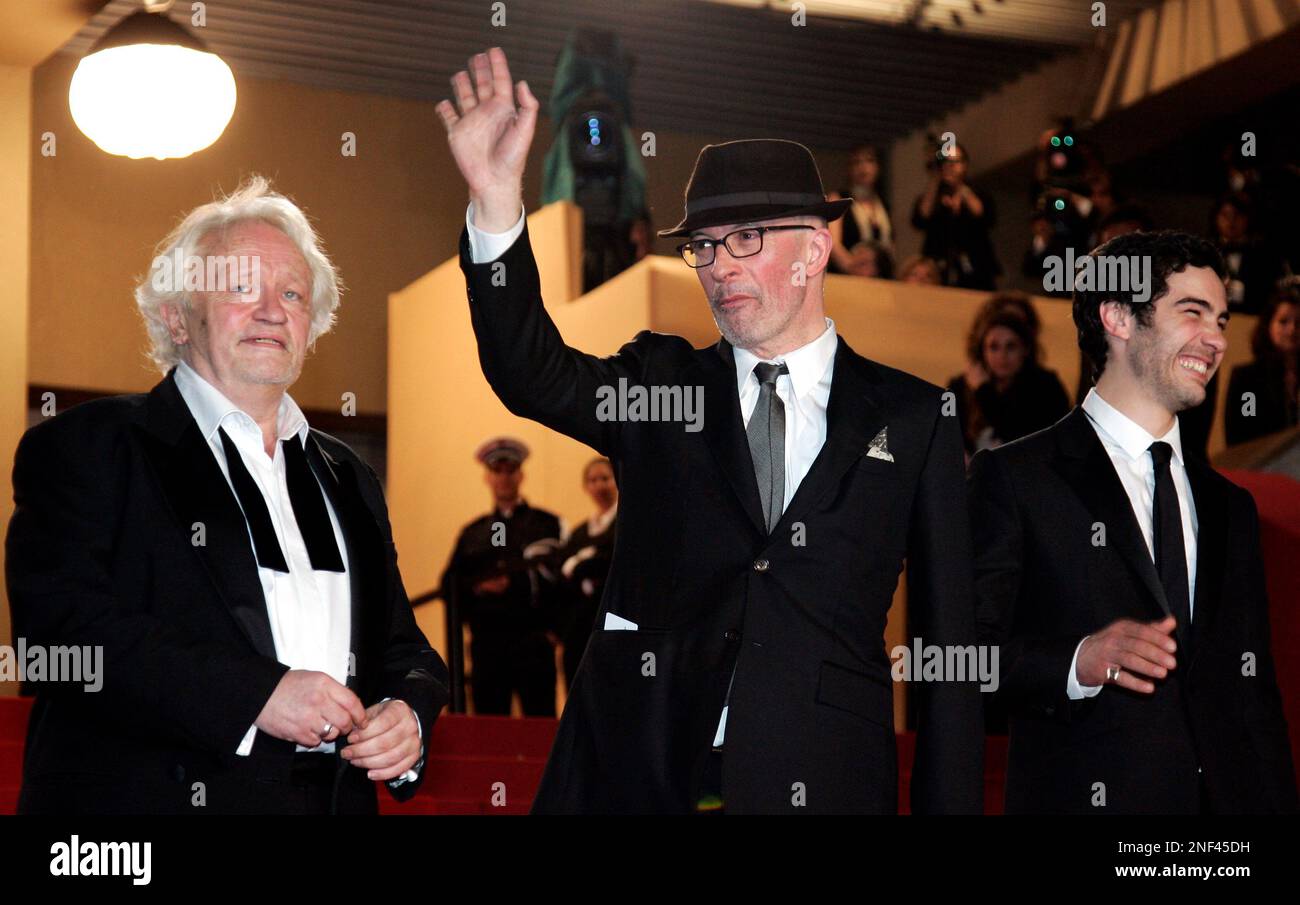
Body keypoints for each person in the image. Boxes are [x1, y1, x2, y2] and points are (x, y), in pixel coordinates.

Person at [437, 47, 982, 815]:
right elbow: (532, 372)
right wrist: (495, 200)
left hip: (823, 780)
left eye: (747, 238)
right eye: (703, 246)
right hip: (641, 769)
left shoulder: (914, 417)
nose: (719, 266)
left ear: (816, 248)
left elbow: (950, 652)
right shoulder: (662, 382)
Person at [5, 177, 448, 814]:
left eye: (292, 294)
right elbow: (58, 648)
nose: (273, 310)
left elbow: (403, 649)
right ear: (176, 317)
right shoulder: (89, 446)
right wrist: (257, 695)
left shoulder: (345, 473)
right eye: (242, 287)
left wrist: (409, 711)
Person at [969, 230, 1298, 814]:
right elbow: (961, 657)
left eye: (1222, 320)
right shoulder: (1017, 478)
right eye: (1192, 312)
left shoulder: (1230, 506)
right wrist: (1077, 661)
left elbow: (1254, 702)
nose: (1216, 340)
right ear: (1118, 317)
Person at [440, 437, 562, 717]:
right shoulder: (473, 533)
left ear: (521, 475)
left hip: (532, 642)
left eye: (510, 470)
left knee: (539, 725)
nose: (504, 478)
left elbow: (557, 579)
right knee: (488, 727)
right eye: (498, 471)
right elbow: (449, 584)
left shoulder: (545, 524)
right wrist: (480, 588)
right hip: (488, 645)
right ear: (488, 477)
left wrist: (514, 585)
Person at [947, 293, 1070, 457]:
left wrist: (984, 392)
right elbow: (945, 439)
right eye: (994, 347)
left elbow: (1022, 439)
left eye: (1011, 346)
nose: (1002, 356)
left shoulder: (1046, 387)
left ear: (1025, 348)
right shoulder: (960, 387)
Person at [552, 457, 618, 691]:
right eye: (593, 480)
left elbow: (610, 564)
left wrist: (582, 566)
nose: (599, 486)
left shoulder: (627, 524)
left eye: (605, 478)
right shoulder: (579, 533)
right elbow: (563, 576)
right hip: (579, 629)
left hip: (613, 628)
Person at [911, 142, 1000, 290]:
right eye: (945, 162)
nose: (950, 166)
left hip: (976, 269)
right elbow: (921, 218)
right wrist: (935, 179)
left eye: (955, 162)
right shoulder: (932, 196)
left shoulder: (978, 194)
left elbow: (983, 215)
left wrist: (960, 188)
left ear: (965, 165)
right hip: (938, 268)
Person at [1225, 281, 1300, 445]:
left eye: (1298, 323)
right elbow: (1244, 429)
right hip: (1260, 465)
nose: (1292, 330)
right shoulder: (1248, 380)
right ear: (1268, 326)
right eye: (1283, 322)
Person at [828, 143, 893, 276]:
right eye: (856, 162)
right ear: (849, 169)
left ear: (878, 168)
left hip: (880, 277)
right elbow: (833, 243)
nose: (863, 167)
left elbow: (889, 246)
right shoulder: (839, 198)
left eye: (869, 161)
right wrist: (854, 269)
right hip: (847, 275)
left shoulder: (883, 204)